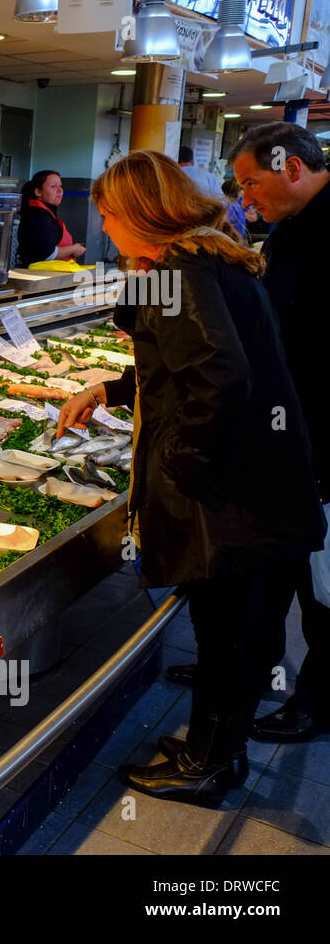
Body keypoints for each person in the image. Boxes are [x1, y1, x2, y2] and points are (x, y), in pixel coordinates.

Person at [56, 149, 324, 806]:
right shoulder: (207, 255)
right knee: (235, 631)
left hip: (228, 499)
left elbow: (221, 380)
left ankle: (208, 763)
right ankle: (211, 746)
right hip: (259, 489)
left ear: (131, 213)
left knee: (227, 631)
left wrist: (180, 469)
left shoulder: (177, 269)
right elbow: (199, 364)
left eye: (109, 220)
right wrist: (117, 389)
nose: (108, 233)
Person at [228, 121, 330, 743]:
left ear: (290, 167)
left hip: (322, 440)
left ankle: (317, 703)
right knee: (272, 566)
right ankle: (246, 670)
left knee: (320, 584)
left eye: (250, 182)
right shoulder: (291, 228)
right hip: (288, 435)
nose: (245, 198)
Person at [16, 170, 85, 266]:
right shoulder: (38, 216)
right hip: (40, 276)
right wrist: (74, 248)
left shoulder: (44, 213)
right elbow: (47, 254)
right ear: (38, 192)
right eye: (53, 186)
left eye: (60, 186)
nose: (60, 191)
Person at [221, 177, 248, 242]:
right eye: (242, 190)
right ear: (237, 191)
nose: (243, 192)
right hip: (232, 241)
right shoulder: (232, 207)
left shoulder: (235, 205)